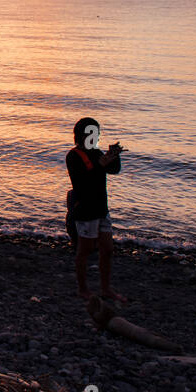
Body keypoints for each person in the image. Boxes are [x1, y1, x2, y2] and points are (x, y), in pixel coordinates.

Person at [65, 117, 125, 302]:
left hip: (101, 209)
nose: (95, 137)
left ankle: (106, 289)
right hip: (85, 210)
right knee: (85, 249)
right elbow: (82, 180)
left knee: (107, 249)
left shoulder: (96, 152)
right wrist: (102, 163)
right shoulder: (74, 156)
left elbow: (114, 170)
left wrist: (114, 156)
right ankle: (83, 289)